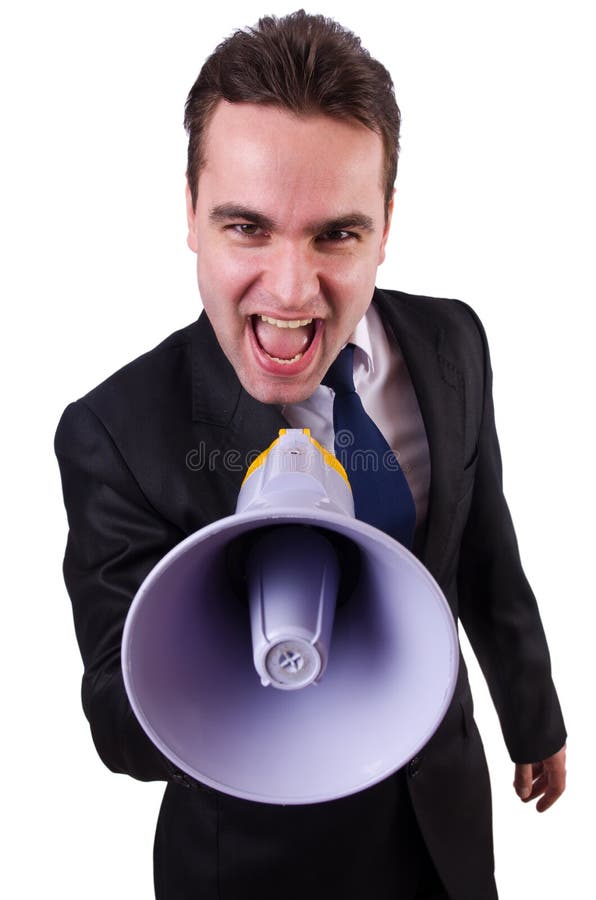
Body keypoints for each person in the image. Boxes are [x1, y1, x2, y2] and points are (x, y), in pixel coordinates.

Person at [55, 10, 566, 899]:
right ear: (189, 215)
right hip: (258, 866)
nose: (292, 290)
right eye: (247, 227)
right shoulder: (116, 432)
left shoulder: (452, 343)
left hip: (442, 827)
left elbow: (484, 553)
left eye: (337, 233)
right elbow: (118, 725)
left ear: (387, 222)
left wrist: (536, 721)